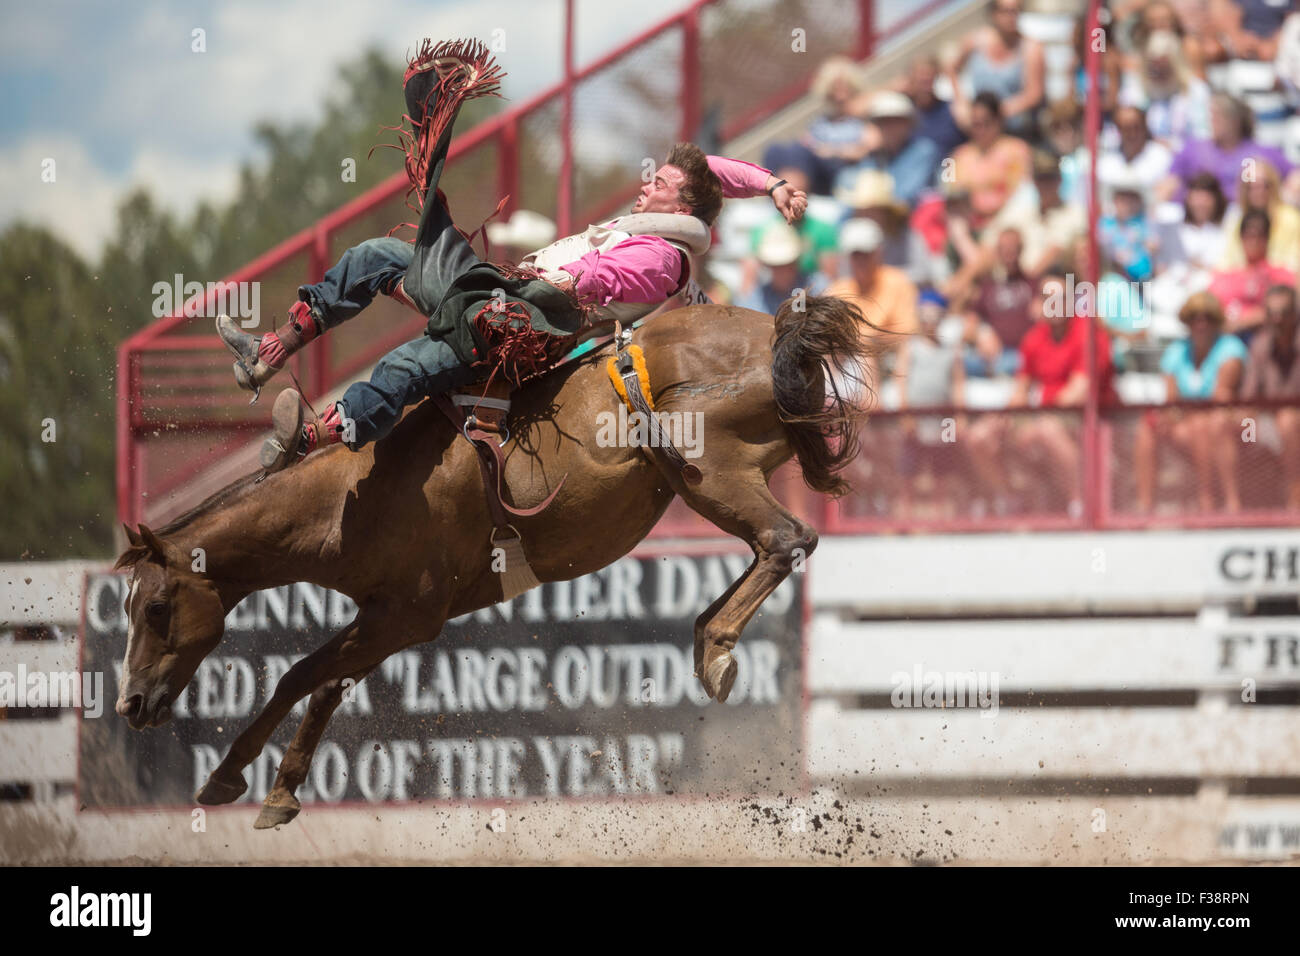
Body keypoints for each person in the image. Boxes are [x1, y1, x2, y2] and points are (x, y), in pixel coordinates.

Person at [217, 40, 808, 471]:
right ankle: (269, 353)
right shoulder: (661, 232)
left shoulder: (661, 259)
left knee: (405, 366)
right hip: (504, 296)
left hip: (521, 327)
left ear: (683, 208)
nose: (648, 183)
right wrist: (771, 184)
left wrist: (530, 282)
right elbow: (709, 171)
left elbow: (594, 280)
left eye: (663, 185)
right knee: (378, 255)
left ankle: (313, 440)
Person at [965, 274, 1117, 517]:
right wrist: (1007, 417)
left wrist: (1033, 423)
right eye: (1048, 298)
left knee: (1046, 429)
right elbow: (1021, 389)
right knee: (980, 435)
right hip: (1044, 415)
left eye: (1061, 298)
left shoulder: (1089, 334)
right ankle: (1010, 501)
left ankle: (1082, 503)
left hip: (1087, 418)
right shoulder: (1035, 337)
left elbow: (1076, 394)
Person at [1135, 290, 1247, 512]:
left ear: (1216, 321)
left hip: (1237, 424)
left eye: (1206, 317)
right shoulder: (1177, 351)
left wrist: (1183, 413)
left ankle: (1218, 501)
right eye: (1195, 317)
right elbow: (1170, 401)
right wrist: (1168, 417)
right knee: (1147, 427)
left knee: (1205, 425)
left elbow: (1221, 398)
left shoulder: (1230, 349)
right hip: (1190, 421)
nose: (1200, 323)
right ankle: (1145, 504)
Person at [894, 288, 965, 517]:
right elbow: (901, 380)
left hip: (942, 420)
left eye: (934, 315)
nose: (929, 321)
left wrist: (960, 417)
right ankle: (905, 514)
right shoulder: (910, 347)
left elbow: (957, 384)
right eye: (925, 315)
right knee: (908, 470)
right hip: (915, 418)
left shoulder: (950, 350)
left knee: (941, 469)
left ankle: (940, 513)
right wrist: (905, 414)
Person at [826, 217, 919, 385]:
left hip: (891, 360)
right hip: (850, 362)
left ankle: (881, 408)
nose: (861, 261)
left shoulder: (898, 282)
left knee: (868, 359)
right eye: (856, 255)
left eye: (866, 255)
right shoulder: (838, 289)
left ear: (878, 253)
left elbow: (907, 333)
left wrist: (868, 341)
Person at [761, 56, 870, 196]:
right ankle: (778, 195)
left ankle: (791, 195)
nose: (839, 96)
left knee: (800, 151)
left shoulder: (862, 119)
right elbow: (807, 143)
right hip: (817, 169)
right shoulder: (821, 122)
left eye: (844, 88)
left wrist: (831, 151)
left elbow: (864, 151)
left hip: (840, 171)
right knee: (775, 150)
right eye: (834, 90)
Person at [1160, 92, 1296, 203]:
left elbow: (1295, 176)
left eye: (1217, 116)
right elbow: (1169, 182)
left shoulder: (1260, 152)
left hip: (1248, 223)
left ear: (1234, 121)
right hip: (1203, 222)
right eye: (1211, 115)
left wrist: (1284, 197)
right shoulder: (1193, 149)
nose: (1212, 121)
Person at [948, 0, 1045, 138]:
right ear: (993, 13)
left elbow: (1034, 94)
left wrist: (997, 113)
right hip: (980, 129)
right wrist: (960, 102)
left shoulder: (1030, 48)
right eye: (1006, 11)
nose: (1011, 16)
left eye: (1015, 11)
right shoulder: (974, 41)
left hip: (1016, 130)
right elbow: (951, 69)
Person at [1240, 284, 1300, 508]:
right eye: (1271, 314)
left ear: (1295, 314)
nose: (1277, 320)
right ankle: (1237, 503)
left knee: (1288, 421)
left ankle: (1296, 495)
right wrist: (1246, 432)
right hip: (1267, 422)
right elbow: (1248, 399)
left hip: (1292, 422)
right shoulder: (1260, 345)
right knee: (1235, 427)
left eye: (1283, 313)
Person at [833, 91, 940, 207]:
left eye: (895, 121)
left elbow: (906, 196)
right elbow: (850, 189)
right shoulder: (875, 156)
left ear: (909, 123)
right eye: (883, 122)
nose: (889, 127)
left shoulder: (924, 151)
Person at [1208, 208, 1298, 342]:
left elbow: (1287, 308)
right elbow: (1210, 307)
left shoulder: (1280, 274)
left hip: (1264, 339)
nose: (1254, 241)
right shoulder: (1225, 275)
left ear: (1267, 238)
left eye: (1259, 235)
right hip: (1225, 338)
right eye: (1248, 235)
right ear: (1241, 237)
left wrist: (1242, 322)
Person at [949, 92, 1032, 232]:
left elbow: (1021, 192)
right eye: (976, 124)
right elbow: (950, 192)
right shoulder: (957, 155)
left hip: (1006, 224)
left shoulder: (1017, 150)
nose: (980, 130)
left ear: (998, 121)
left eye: (986, 123)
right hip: (968, 225)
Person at [964, 228, 1035, 378]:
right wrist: (981, 335)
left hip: (1020, 353)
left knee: (1009, 364)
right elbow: (970, 322)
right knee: (961, 362)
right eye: (1004, 248)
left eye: (1013, 248)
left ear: (1021, 250)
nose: (1009, 253)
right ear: (997, 252)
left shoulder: (1033, 284)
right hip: (990, 354)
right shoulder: (987, 286)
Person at [1218, 159, 1300, 269]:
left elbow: (1293, 261)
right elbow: (1230, 258)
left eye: (1264, 185)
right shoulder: (1236, 219)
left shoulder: (1290, 219)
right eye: (1251, 186)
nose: (1259, 191)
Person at [733, 223, 828, 314]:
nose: (783, 270)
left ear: (796, 262)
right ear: (769, 266)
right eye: (777, 266)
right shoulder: (757, 298)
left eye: (787, 264)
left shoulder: (819, 287)